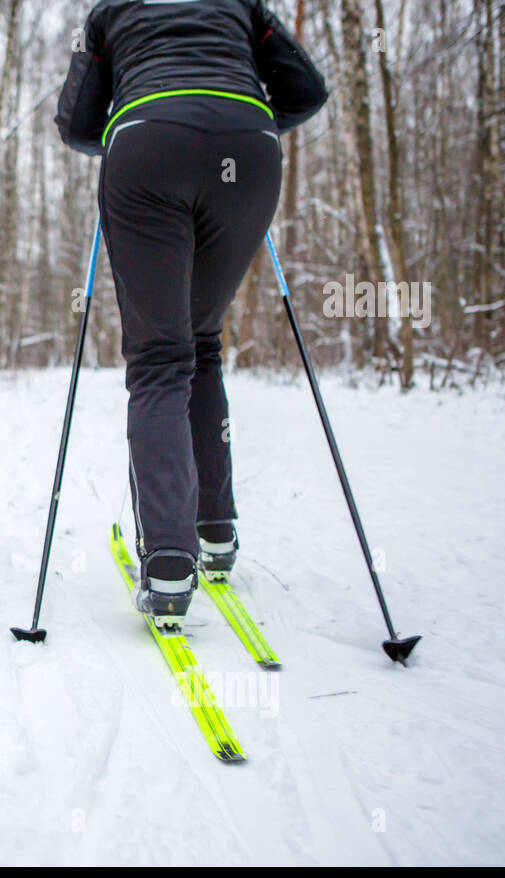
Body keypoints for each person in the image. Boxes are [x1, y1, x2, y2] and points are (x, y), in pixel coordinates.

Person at [55, 0, 328, 628]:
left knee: (159, 359)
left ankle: (171, 562)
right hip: (249, 149)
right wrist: (237, 122)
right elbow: (306, 90)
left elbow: (75, 124)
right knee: (202, 344)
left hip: (146, 146)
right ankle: (215, 532)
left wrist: (135, 133)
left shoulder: (109, 11)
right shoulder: (241, 4)